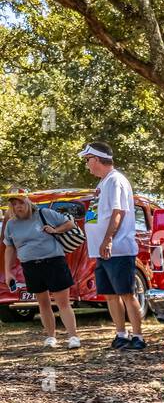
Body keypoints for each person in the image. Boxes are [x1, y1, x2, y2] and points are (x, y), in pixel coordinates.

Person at [78, 142, 144, 350]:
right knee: (110, 294)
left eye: (88, 160)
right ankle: (120, 334)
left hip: (118, 248)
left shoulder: (116, 180)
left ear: (97, 159)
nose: (87, 165)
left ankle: (138, 337)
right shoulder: (102, 184)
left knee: (126, 292)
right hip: (102, 251)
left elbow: (118, 212)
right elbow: (97, 215)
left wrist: (107, 239)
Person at [2, 190, 82, 348]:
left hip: (53, 262)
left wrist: (55, 230)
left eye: (21, 202)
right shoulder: (11, 224)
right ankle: (51, 337)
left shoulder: (43, 213)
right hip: (31, 266)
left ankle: (73, 337)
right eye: (14, 204)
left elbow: (70, 223)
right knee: (43, 303)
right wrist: (8, 271)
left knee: (62, 302)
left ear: (28, 201)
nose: (18, 206)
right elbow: (9, 247)